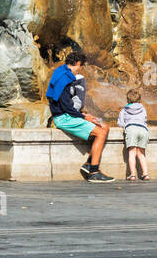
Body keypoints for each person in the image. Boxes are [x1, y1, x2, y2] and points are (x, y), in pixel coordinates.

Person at [46, 50, 112, 182]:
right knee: (100, 133)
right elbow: (65, 106)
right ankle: (94, 172)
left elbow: (65, 104)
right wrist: (83, 116)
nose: (80, 70)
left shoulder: (61, 71)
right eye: (81, 67)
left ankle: (89, 165)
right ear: (77, 63)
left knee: (105, 127)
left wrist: (81, 114)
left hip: (68, 114)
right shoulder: (64, 79)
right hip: (63, 118)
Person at [118, 87, 150, 181]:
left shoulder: (124, 110)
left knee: (132, 153)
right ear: (139, 99)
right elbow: (145, 119)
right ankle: (145, 174)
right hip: (143, 130)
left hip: (131, 129)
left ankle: (132, 175)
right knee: (141, 153)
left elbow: (120, 122)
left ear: (128, 99)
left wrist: (125, 127)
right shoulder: (143, 108)